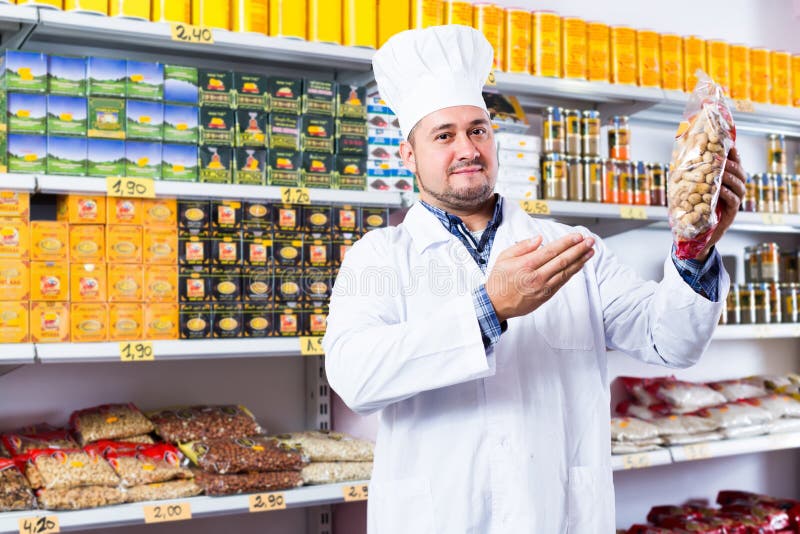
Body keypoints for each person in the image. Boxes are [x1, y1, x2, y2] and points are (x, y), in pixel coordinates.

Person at [323, 25, 745, 534]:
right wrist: (488, 308)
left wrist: (694, 246)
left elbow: (671, 342)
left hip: (558, 516)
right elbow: (355, 378)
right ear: (409, 156)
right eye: (444, 134)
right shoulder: (378, 257)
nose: (467, 148)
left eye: (478, 129)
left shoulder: (572, 246)